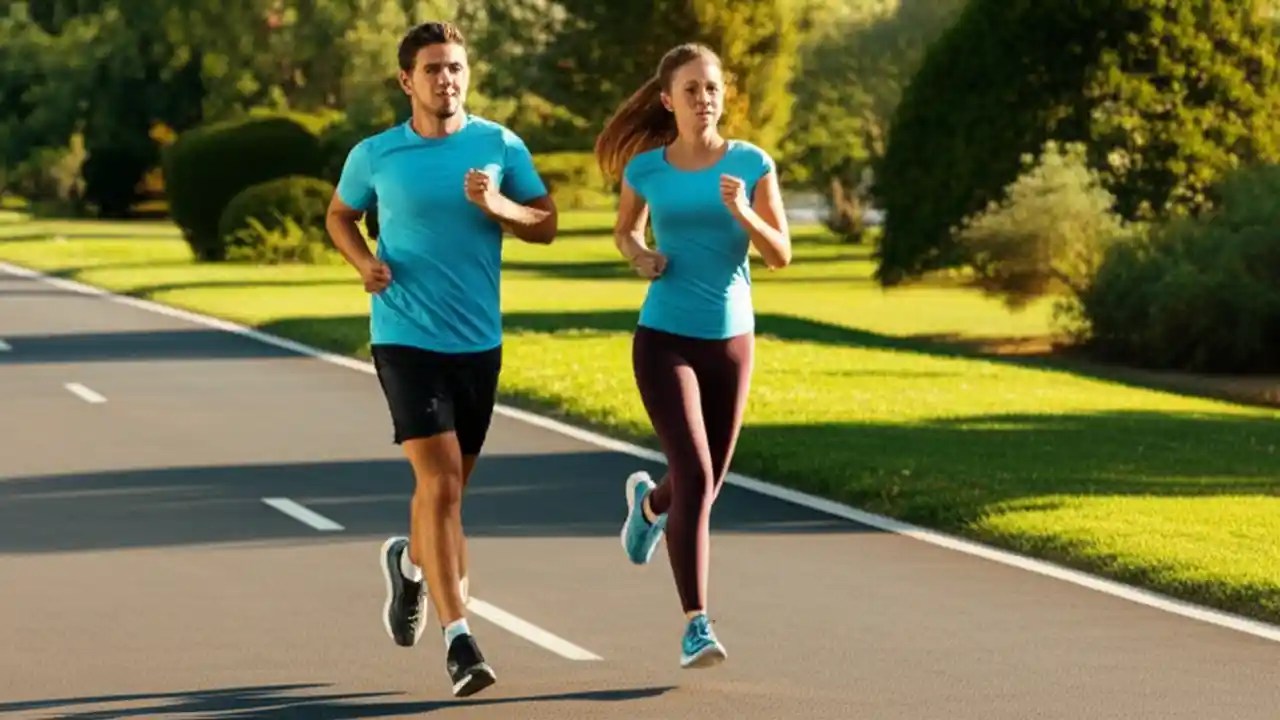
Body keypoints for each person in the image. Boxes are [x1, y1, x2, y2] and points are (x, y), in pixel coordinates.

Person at [325, 20, 557, 698]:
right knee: (445, 486)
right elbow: (339, 215)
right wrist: (364, 261)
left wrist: (498, 202)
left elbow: (546, 225)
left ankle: (412, 567)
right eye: (432, 69)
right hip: (404, 338)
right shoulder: (376, 155)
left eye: (455, 67)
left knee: (446, 493)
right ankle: (461, 642)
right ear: (407, 81)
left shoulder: (498, 144)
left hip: (478, 343)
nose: (446, 79)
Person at [593, 43, 792, 669]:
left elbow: (781, 254)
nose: (703, 99)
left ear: (722, 95)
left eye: (711, 88)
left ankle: (649, 505)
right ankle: (696, 625)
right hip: (665, 338)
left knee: (702, 485)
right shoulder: (646, 170)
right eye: (690, 90)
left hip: (732, 341)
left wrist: (742, 213)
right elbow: (626, 228)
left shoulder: (752, 164)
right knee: (699, 478)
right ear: (667, 101)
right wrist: (638, 254)